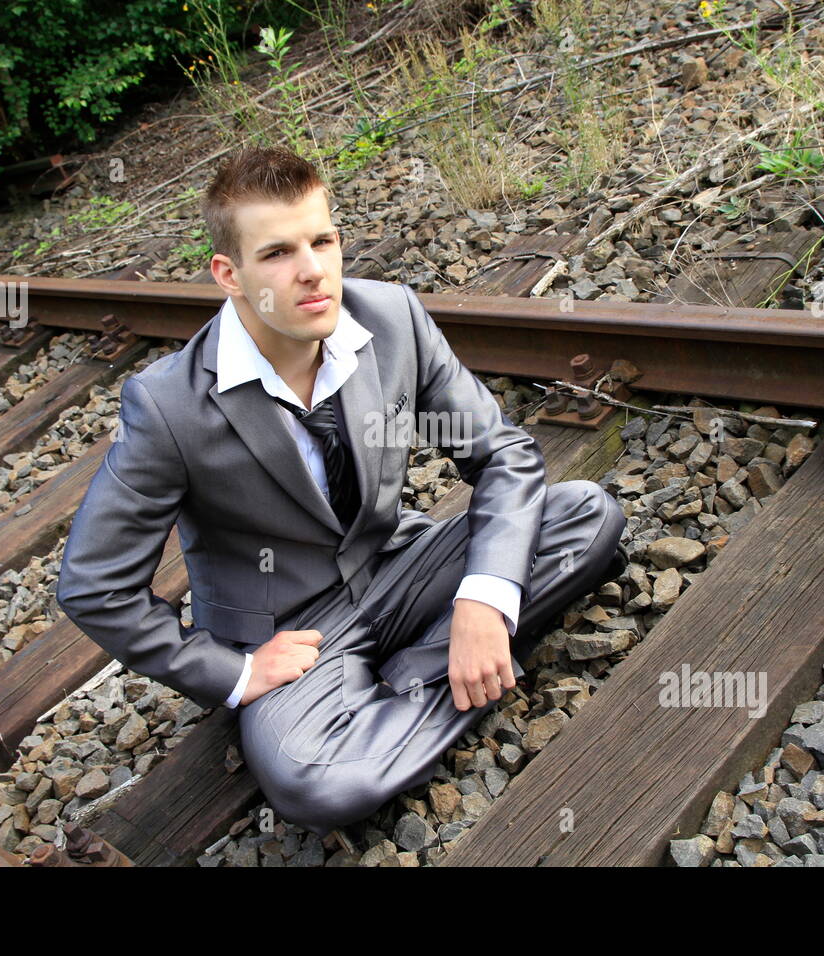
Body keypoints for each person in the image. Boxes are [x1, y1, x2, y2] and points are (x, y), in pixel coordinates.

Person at [56, 145, 627, 836]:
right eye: (277, 253)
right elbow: (94, 583)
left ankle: (407, 682)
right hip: (292, 639)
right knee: (314, 782)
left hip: (398, 564)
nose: (313, 270)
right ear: (229, 274)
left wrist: (481, 601)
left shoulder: (391, 318)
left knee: (586, 514)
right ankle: (439, 672)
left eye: (323, 241)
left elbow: (502, 454)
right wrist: (232, 674)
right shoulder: (169, 406)